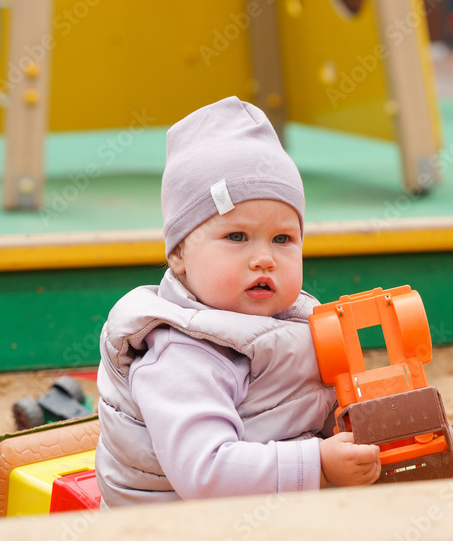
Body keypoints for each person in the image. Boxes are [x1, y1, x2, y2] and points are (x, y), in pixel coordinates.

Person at [96, 96, 381, 507]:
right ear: (178, 255)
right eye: (236, 237)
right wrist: (318, 463)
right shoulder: (182, 353)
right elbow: (206, 473)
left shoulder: (291, 320)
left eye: (283, 239)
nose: (264, 257)